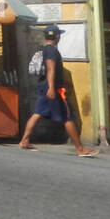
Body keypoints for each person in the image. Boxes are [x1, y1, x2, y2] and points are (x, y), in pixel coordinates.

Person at [19, 25, 97, 156]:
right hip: (53, 88)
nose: (59, 36)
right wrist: (51, 87)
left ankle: (24, 141)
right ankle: (80, 149)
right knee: (67, 116)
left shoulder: (46, 49)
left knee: (38, 113)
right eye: (59, 34)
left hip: (45, 86)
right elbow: (50, 68)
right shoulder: (51, 51)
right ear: (57, 36)